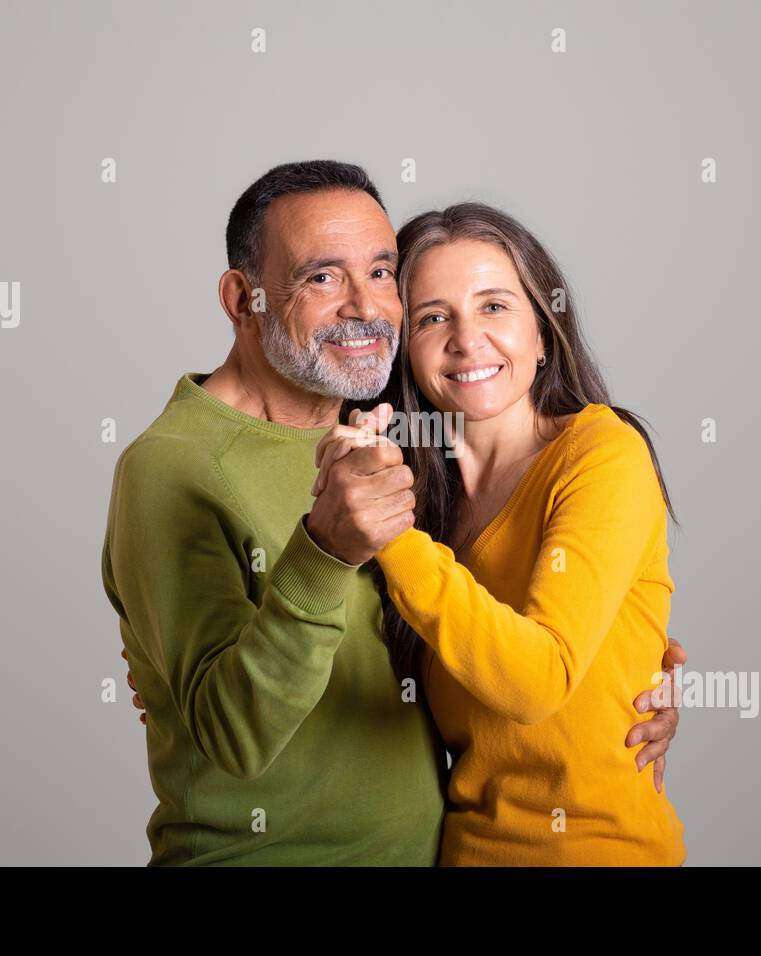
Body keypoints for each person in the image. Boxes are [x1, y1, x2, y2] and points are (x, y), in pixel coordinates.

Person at [106, 160, 684, 865]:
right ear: (242, 298)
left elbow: (509, 651)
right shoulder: (175, 466)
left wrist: (633, 666)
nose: (364, 306)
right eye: (322, 276)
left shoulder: (389, 446)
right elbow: (231, 728)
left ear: (543, 329)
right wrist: (320, 554)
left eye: (381, 273)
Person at [312, 203, 687, 864]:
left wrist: (388, 527)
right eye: (433, 317)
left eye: (494, 307)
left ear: (543, 333)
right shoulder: (423, 503)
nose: (466, 339)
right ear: (407, 352)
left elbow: (536, 682)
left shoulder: (602, 455)